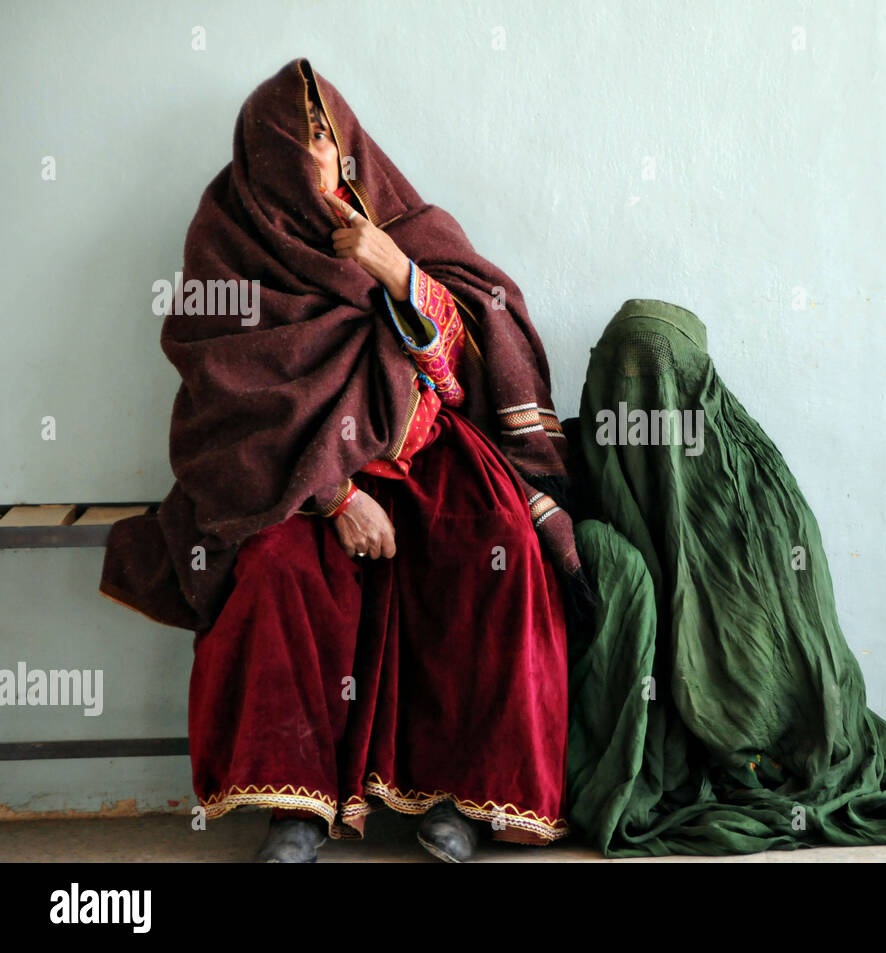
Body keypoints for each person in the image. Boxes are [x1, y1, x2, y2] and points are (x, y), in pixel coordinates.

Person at [99, 58, 590, 862]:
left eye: (330, 133)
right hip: (292, 475)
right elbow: (226, 406)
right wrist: (331, 494)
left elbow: (465, 371)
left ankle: (461, 796)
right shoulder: (227, 239)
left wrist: (395, 269)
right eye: (302, 138)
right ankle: (297, 805)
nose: (322, 155)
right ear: (266, 151)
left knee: (494, 548)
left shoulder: (397, 218)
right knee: (274, 570)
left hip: (424, 448)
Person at [562, 298, 886, 855]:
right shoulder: (584, 451)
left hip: (766, 733)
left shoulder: (753, 484)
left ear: (698, 383)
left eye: (663, 378)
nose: (647, 402)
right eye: (626, 375)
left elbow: (779, 647)